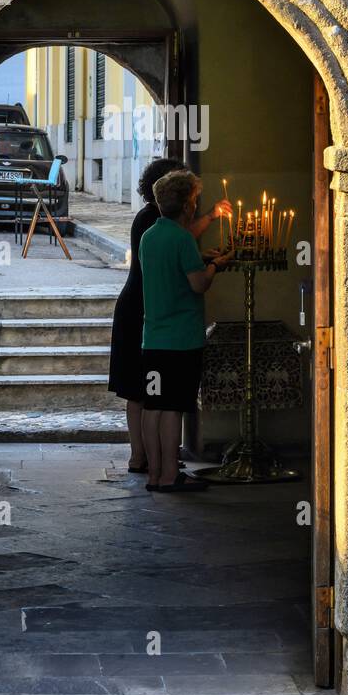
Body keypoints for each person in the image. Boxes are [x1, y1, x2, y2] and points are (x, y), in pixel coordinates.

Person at [108, 158, 231, 474]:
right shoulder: (156, 220)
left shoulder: (152, 222)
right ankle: (148, 459)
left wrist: (199, 252)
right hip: (142, 310)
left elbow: (174, 250)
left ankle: (152, 462)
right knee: (144, 393)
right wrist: (212, 260)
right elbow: (183, 244)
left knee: (146, 394)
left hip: (144, 310)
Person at [139, 170, 233, 492]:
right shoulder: (182, 239)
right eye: (194, 200)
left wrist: (199, 258)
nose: (195, 206)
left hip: (152, 339)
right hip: (181, 340)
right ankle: (170, 475)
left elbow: (171, 270)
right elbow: (198, 283)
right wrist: (215, 265)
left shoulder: (150, 237)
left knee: (153, 407)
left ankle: (154, 475)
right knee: (174, 409)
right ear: (187, 205)